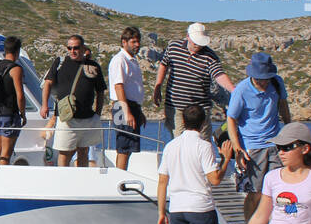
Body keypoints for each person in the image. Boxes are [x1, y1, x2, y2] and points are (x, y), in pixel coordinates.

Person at [226, 52, 292, 222]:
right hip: (253, 146)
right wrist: (237, 148)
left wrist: (289, 131)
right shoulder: (241, 91)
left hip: (275, 144)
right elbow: (231, 118)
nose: (263, 82)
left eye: (266, 78)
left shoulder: (277, 83)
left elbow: (283, 105)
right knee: (255, 192)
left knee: (278, 189)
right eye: (259, 79)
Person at [152, 22, 235, 139]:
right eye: (195, 42)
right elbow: (163, 65)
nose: (198, 45)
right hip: (176, 107)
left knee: (203, 142)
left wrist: (233, 90)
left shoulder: (210, 56)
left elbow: (219, 75)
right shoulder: (173, 47)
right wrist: (158, 86)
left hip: (200, 109)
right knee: (178, 142)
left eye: (200, 43)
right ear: (188, 37)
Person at [41, 34, 107, 168]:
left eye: (76, 48)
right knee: (64, 152)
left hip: (87, 117)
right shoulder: (60, 63)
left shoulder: (93, 66)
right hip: (66, 117)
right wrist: (44, 105)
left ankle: (81, 180)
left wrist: (97, 113)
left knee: (84, 151)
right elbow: (47, 83)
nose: (72, 51)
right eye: (69, 48)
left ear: (83, 48)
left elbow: (100, 91)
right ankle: (63, 179)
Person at [0, 36, 26, 165]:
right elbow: (20, 95)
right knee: (6, 154)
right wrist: (23, 113)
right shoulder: (16, 69)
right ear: (18, 51)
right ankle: (3, 181)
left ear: (5, 49)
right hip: (9, 114)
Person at [108, 26, 146, 170]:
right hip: (122, 106)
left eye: (138, 42)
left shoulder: (132, 61)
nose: (137, 45)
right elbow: (118, 86)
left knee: (129, 146)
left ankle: (122, 177)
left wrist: (139, 111)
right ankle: (119, 180)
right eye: (133, 42)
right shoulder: (120, 60)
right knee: (124, 146)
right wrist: (126, 111)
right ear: (124, 42)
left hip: (131, 106)